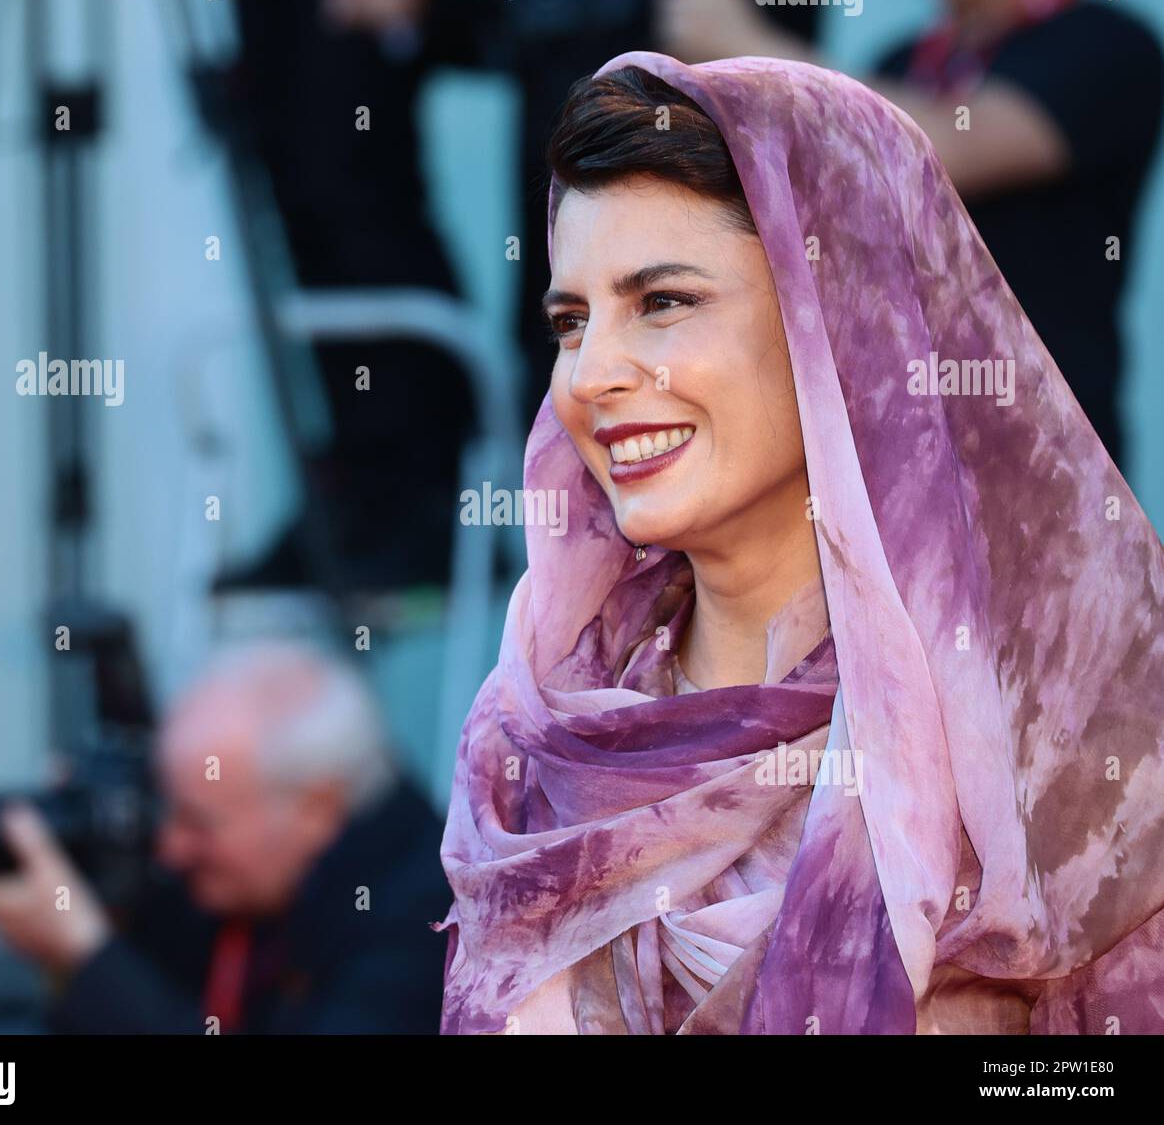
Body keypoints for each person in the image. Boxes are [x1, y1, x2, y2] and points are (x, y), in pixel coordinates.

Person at [432, 56, 1164, 1034]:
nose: (591, 374)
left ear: (843, 330)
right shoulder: (534, 728)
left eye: (662, 302)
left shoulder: (1061, 733)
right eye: (571, 321)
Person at [657, 0, 1164, 466]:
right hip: (902, 443)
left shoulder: (1106, 43)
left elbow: (943, 147)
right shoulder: (899, 62)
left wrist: (746, 44)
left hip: (1045, 455)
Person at [0, 643, 451, 1034]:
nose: (171, 849)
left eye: (198, 823)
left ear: (316, 810)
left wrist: (88, 952)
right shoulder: (249, 883)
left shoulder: (435, 919)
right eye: (167, 812)